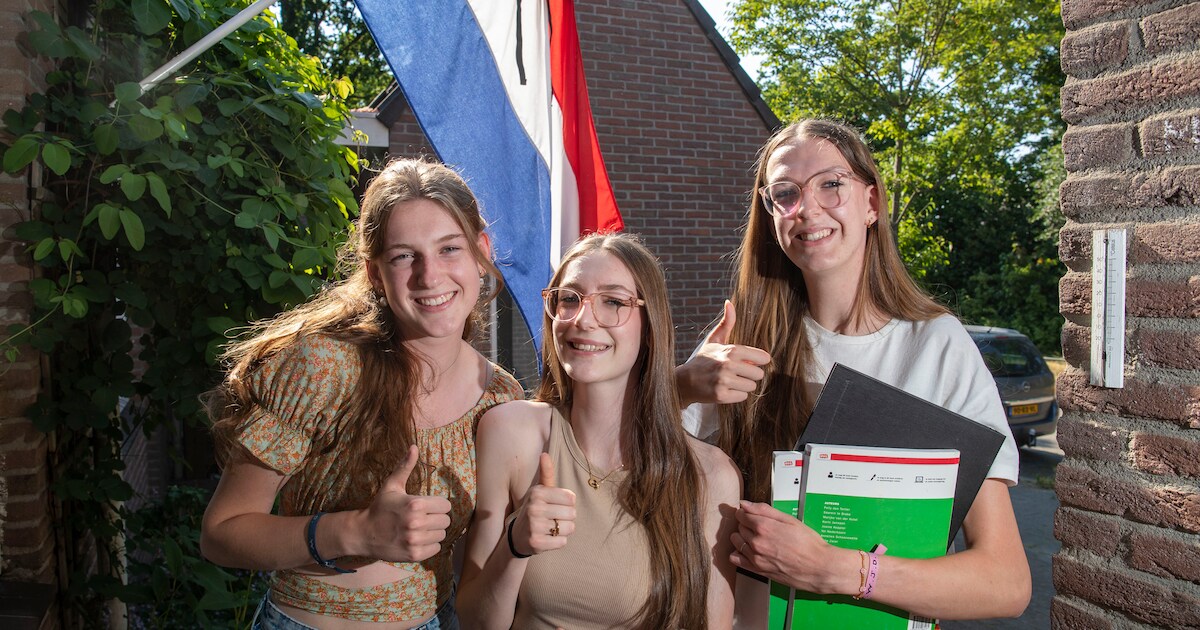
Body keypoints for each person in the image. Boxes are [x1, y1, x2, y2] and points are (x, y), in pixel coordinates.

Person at [675, 119, 1032, 621]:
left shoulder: (936, 346)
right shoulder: (742, 341)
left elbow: (1005, 582)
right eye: (785, 193)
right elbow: (625, 469)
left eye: (831, 184)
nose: (807, 209)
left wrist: (837, 570)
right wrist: (679, 387)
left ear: (872, 202)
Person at [200, 158, 524, 629]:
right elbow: (221, 534)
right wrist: (354, 531)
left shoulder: (501, 398)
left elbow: (477, 572)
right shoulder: (323, 368)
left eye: (449, 249)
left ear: (481, 252)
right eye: (403, 256)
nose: (429, 276)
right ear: (375, 273)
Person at [458, 232, 740, 629]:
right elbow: (474, 622)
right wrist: (514, 546)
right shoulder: (511, 431)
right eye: (569, 299)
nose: (582, 319)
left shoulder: (711, 476)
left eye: (613, 302)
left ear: (650, 324)